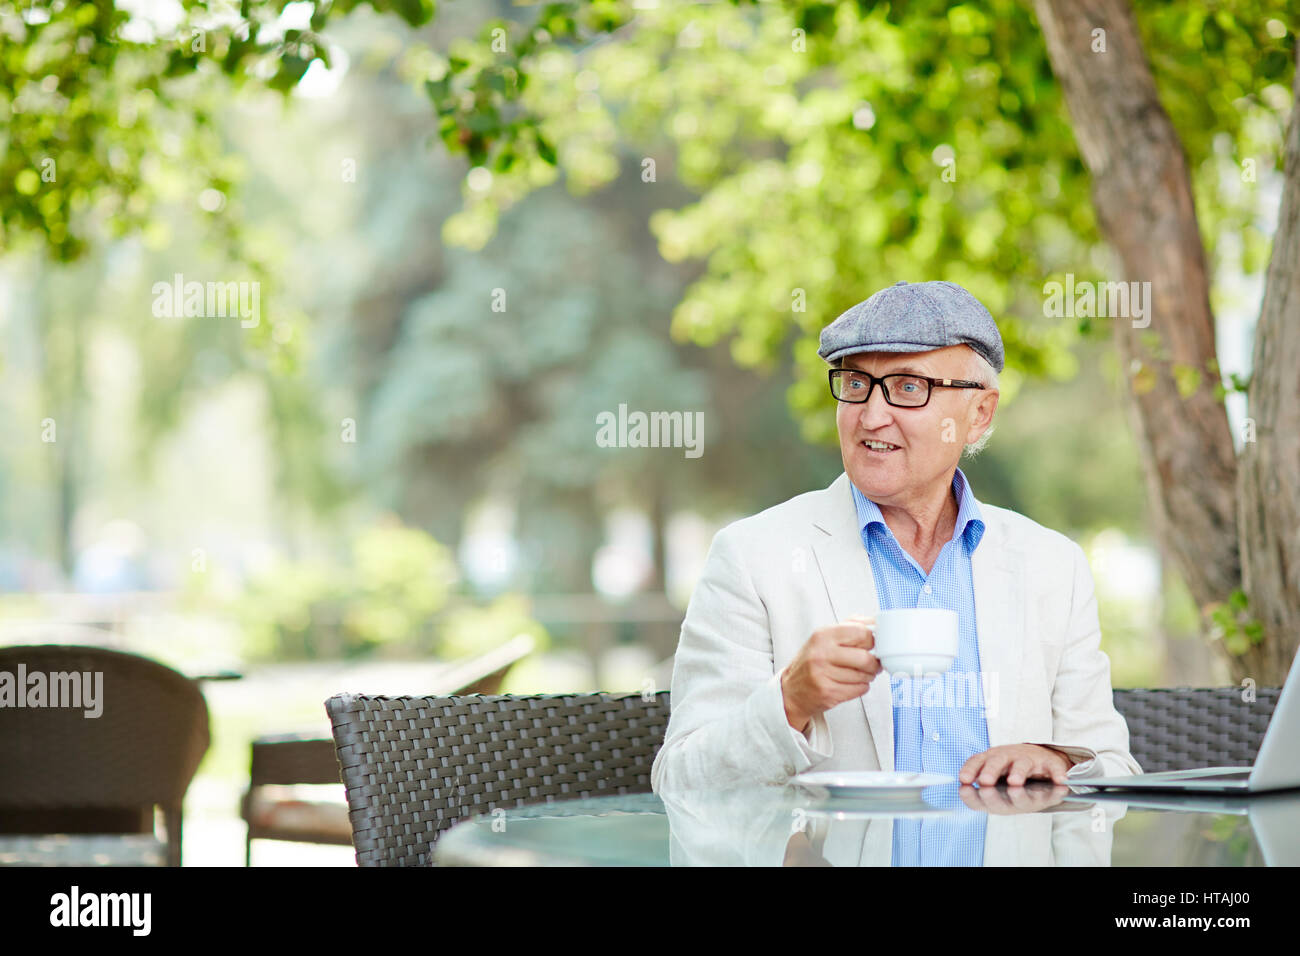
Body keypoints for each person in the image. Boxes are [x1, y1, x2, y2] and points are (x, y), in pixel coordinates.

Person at [651, 279, 1141, 797]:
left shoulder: (1052, 566)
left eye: (909, 387)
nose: (871, 415)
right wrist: (789, 703)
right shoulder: (752, 558)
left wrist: (1051, 759)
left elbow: (1111, 768)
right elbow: (681, 781)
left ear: (980, 414)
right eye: (857, 383)